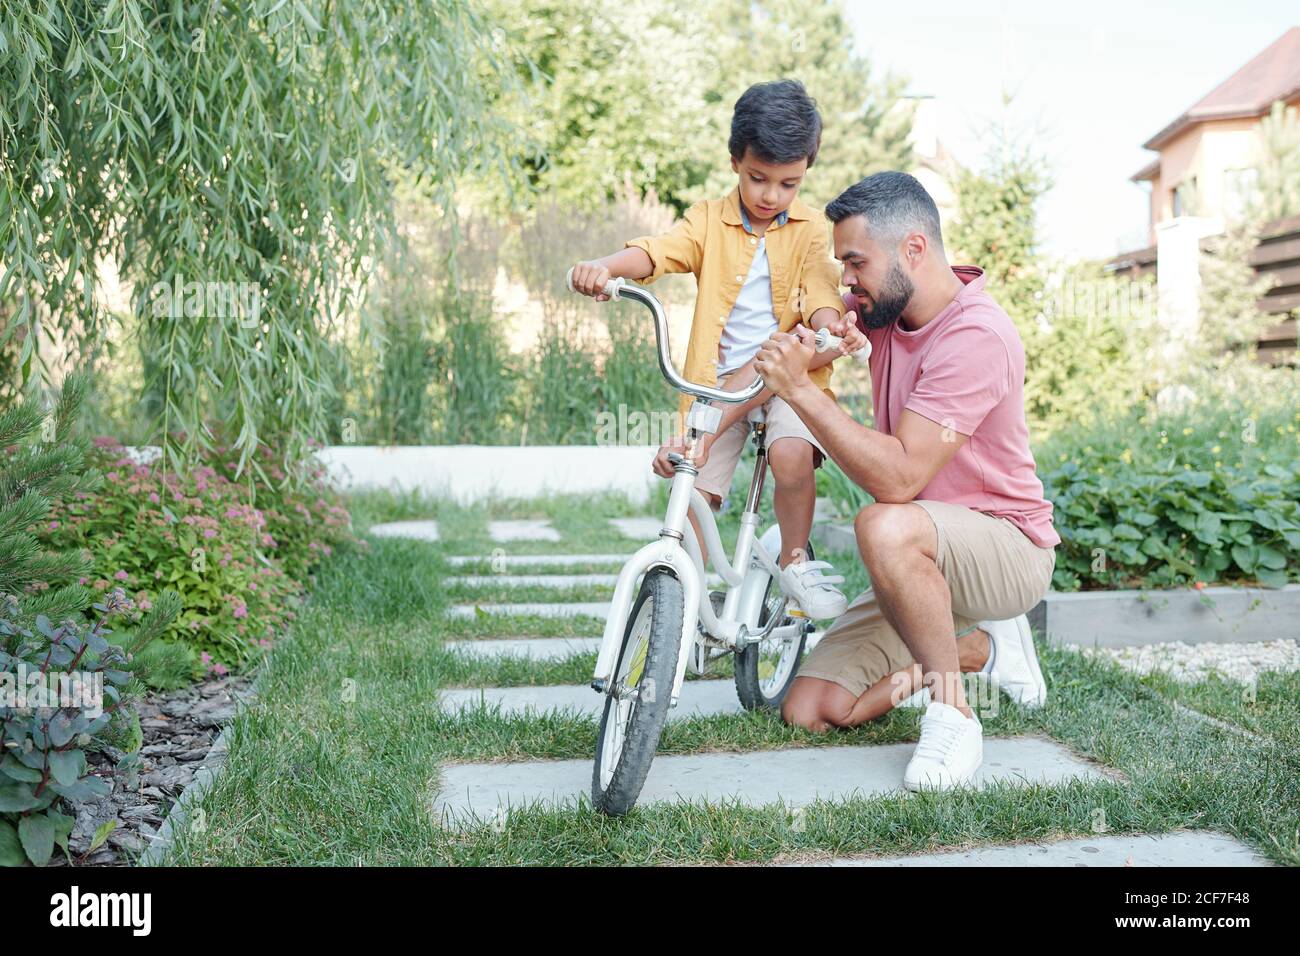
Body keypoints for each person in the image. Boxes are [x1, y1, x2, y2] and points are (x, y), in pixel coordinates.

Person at [753, 171, 1060, 791]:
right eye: (843, 264)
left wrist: (803, 393)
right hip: (925, 554)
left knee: (884, 523)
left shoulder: (977, 334)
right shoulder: (879, 312)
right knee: (812, 710)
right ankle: (976, 652)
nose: (845, 281)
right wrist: (705, 429)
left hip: (1006, 549)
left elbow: (897, 478)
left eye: (855, 262)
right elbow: (776, 364)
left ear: (913, 250)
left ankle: (953, 711)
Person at [570, 79, 866, 619]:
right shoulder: (708, 220)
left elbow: (821, 293)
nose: (771, 195)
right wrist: (606, 269)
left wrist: (830, 326)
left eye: (788, 184)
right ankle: (679, 604)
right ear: (735, 161)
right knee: (694, 492)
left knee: (791, 455)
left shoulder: (809, 233)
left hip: (789, 379)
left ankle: (796, 561)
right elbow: (658, 253)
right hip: (720, 382)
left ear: (805, 175)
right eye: (758, 178)